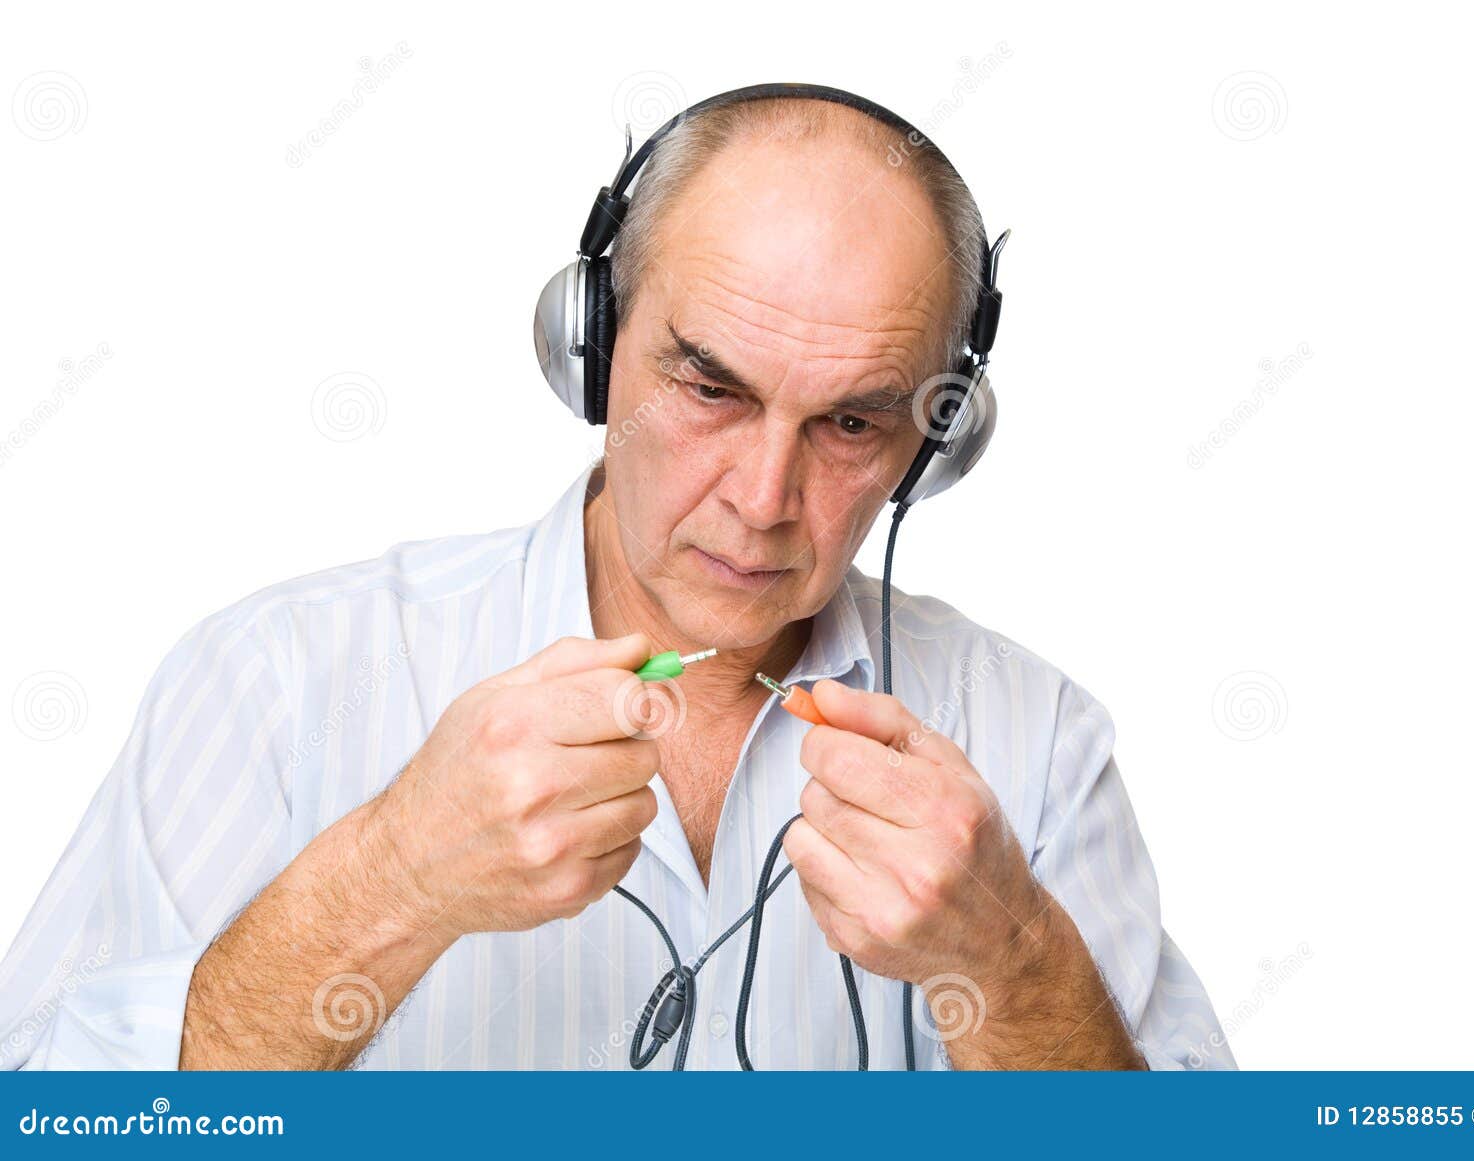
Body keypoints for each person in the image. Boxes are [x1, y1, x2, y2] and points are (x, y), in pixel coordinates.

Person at [0, 90, 1235, 1071]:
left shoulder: (1039, 746)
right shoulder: (276, 682)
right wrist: (390, 881)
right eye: (708, 388)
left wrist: (1013, 962)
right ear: (587, 347)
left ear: (937, 442)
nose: (761, 498)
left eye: (852, 425)